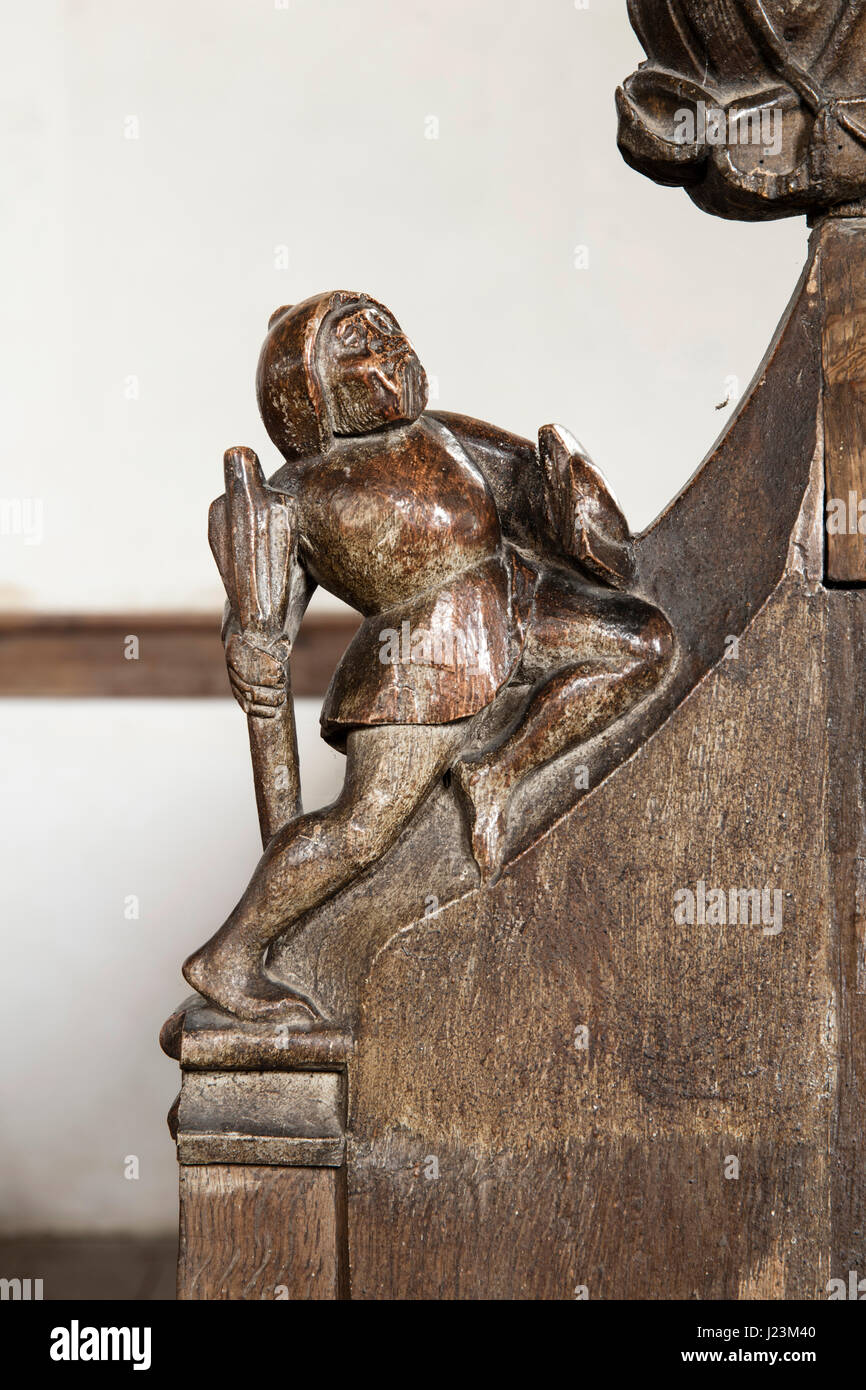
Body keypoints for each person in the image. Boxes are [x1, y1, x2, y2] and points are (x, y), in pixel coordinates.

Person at [183, 291, 674, 1020]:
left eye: (387, 332)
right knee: (361, 828)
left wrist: (569, 498)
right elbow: (263, 623)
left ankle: (498, 770)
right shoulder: (297, 494)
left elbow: (532, 493)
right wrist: (250, 647)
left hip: (517, 598)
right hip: (420, 660)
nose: (388, 356)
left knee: (644, 644)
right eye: (357, 347)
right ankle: (227, 956)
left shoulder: (445, 434)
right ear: (307, 392)